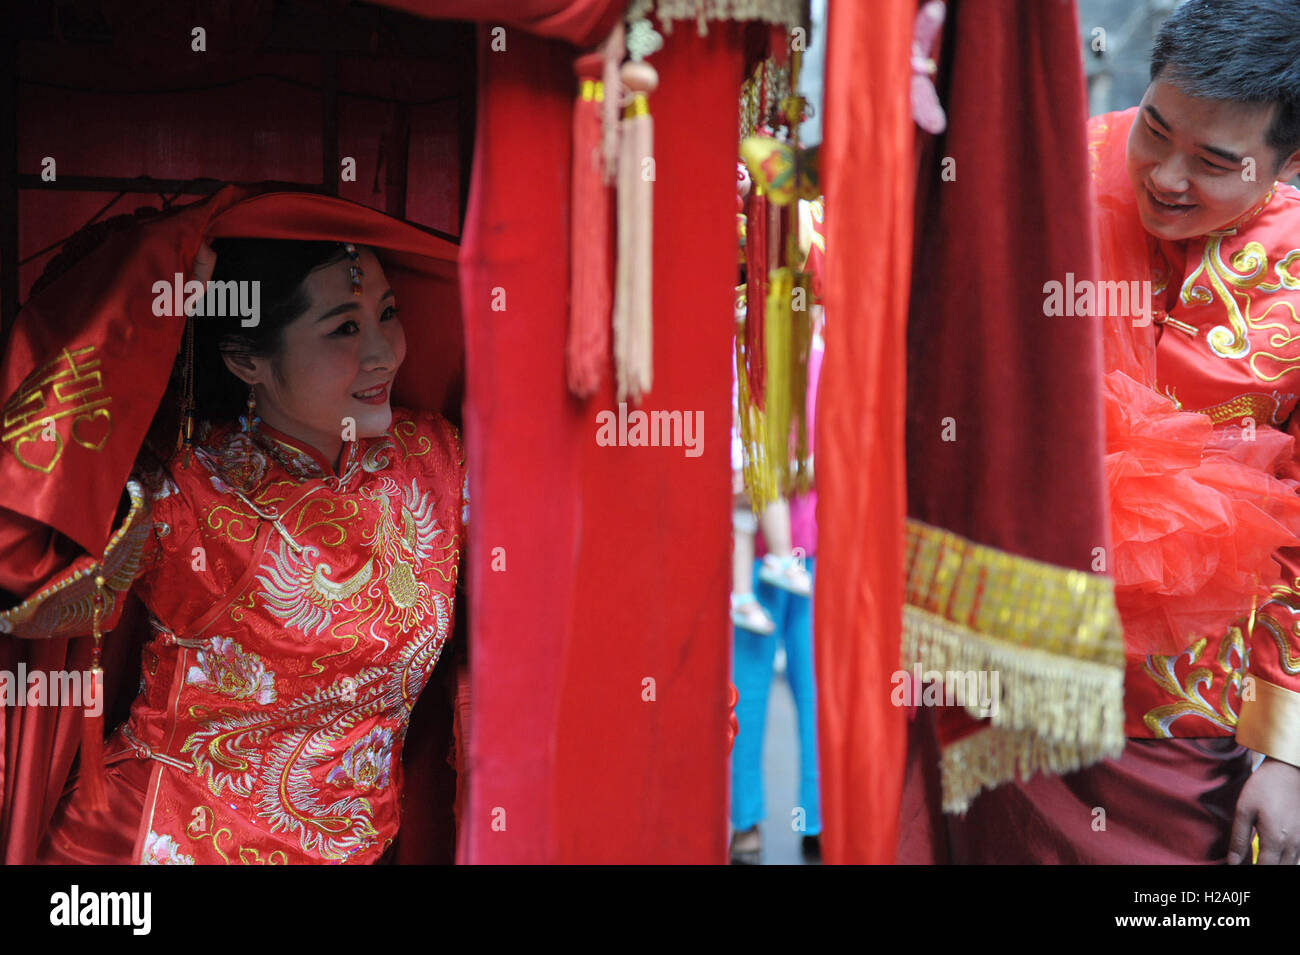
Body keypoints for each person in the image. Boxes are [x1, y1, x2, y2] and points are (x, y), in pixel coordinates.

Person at [940, 0, 1300, 864]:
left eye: (1215, 162)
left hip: (1185, 729)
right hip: (993, 669)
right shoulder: (1049, 171)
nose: (1167, 177)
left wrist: (1286, 748)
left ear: (1287, 161)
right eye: (1155, 131)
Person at [1, 232, 466, 864]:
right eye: (343, 330)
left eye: (387, 313)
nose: (384, 353)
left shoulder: (434, 459)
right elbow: (29, 566)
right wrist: (149, 306)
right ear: (246, 361)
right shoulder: (183, 490)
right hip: (164, 844)